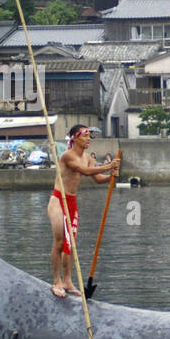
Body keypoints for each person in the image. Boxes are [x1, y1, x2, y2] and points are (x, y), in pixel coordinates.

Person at [48, 124, 118, 298]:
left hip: (72, 201)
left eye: (89, 136)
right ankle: (56, 281)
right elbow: (85, 172)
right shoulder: (67, 156)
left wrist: (111, 176)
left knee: (70, 245)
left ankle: (68, 282)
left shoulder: (88, 157)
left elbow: (97, 178)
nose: (89, 139)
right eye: (85, 136)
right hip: (58, 200)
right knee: (59, 242)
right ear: (75, 138)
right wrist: (108, 166)